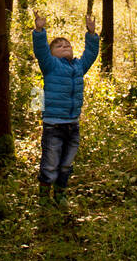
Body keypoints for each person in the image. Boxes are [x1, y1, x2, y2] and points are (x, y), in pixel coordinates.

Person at [31, 11, 99, 206]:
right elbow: (41, 51)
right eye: (59, 46)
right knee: (50, 163)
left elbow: (90, 55)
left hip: (73, 124)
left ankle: (61, 194)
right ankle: (44, 197)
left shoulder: (78, 67)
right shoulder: (50, 65)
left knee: (66, 163)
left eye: (67, 45)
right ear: (52, 53)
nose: (65, 47)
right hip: (53, 125)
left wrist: (92, 34)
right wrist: (39, 30)